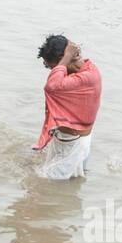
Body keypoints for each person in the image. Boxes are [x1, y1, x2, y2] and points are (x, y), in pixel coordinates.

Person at [33, 35, 101, 179]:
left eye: (51, 66)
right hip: (70, 140)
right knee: (65, 189)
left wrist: (66, 58)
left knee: (46, 186)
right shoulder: (87, 69)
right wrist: (67, 58)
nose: (52, 71)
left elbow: (52, 87)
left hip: (72, 145)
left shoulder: (87, 77)